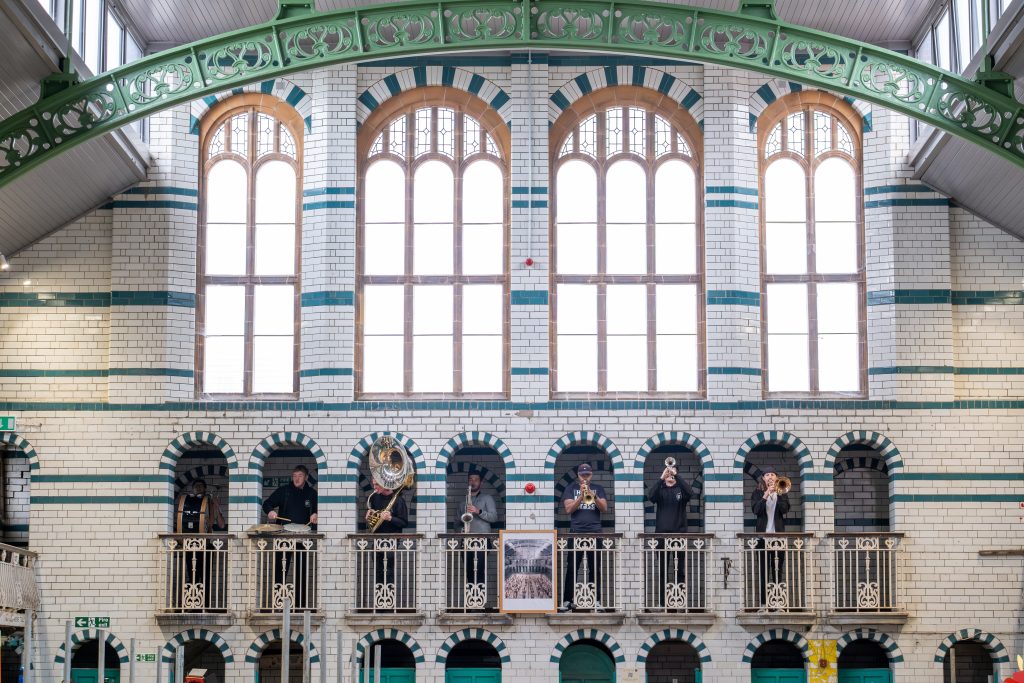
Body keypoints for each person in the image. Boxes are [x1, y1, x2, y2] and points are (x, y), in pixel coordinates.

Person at [262, 465, 319, 610]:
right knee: (280, 571)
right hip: (283, 537)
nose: (296, 478)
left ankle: (300, 605)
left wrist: (315, 514)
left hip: (303, 538)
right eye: (294, 475)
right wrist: (270, 512)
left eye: (300, 475)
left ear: (306, 477)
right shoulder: (284, 491)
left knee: (302, 572)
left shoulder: (312, 494)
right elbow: (267, 503)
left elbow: (319, 510)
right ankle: (278, 604)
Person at [559, 463, 608, 611]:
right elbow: (568, 509)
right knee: (572, 567)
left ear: (591, 475)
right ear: (578, 475)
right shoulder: (571, 489)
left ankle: (596, 601)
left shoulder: (598, 489)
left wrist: (592, 495)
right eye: (582, 475)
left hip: (595, 532)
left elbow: (604, 508)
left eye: (587, 475)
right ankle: (568, 601)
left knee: (595, 568)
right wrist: (581, 495)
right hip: (576, 532)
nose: (585, 477)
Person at [647, 461, 695, 609]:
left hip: (679, 535)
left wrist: (677, 476)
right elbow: (650, 496)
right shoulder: (660, 490)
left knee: (680, 570)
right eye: (667, 471)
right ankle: (662, 602)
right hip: (661, 536)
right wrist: (661, 478)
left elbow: (690, 493)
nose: (669, 473)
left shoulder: (681, 489)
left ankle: (679, 602)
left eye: (672, 470)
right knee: (663, 570)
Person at [361, 482, 411, 610]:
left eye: (377, 484)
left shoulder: (398, 500)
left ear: (384, 484)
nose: (374, 487)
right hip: (376, 540)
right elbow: (371, 524)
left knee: (388, 572)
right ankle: (379, 604)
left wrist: (390, 518)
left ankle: (389, 603)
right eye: (373, 484)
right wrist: (369, 518)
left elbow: (404, 522)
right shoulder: (374, 498)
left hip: (391, 541)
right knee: (378, 572)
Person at [750, 466, 791, 610]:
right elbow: (756, 510)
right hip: (762, 539)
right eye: (767, 475)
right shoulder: (757, 493)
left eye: (772, 474)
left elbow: (785, 509)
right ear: (763, 479)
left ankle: (778, 603)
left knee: (777, 571)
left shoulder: (782, 492)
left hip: (778, 538)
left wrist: (778, 494)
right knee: (763, 572)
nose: (770, 477)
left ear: (776, 478)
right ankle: (763, 604)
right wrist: (766, 494)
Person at [459, 470, 499, 610]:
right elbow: (456, 521)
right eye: (471, 479)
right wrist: (460, 530)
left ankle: (480, 603)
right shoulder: (463, 500)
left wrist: (478, 511)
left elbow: (494, 517)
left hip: (482, 539)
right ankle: (471, 603)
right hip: (466, 539)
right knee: (469, 571)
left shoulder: (487, 498)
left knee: (479, 570)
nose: (473, 481)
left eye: (476, 479)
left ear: (480, 482)